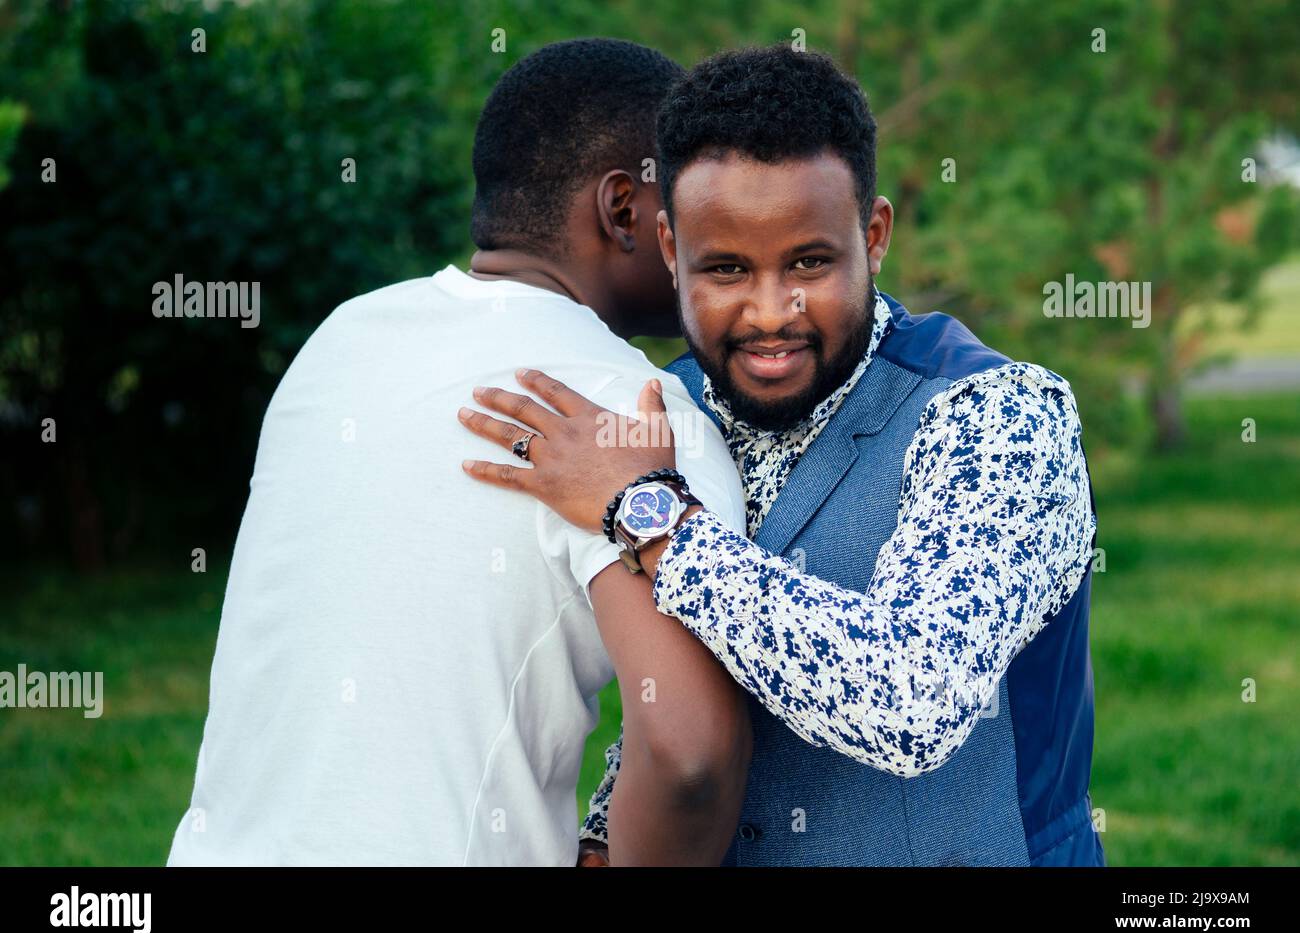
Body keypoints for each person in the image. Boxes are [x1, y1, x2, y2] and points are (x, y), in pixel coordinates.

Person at [460, 44, 1105, 866]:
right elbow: (677, 688)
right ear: (668, 247)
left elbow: (911, 700)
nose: (771, 315)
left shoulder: (1001, 416)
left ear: (873, 237)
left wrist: (650, 516)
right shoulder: (674, 404)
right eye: (726, 268)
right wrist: (599, 840)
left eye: (809, 262)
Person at [168, 38, 751, 867]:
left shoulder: (343, 339)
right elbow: (690, 756)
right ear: (624, 210)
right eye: (694, 207)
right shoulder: (639, 411)